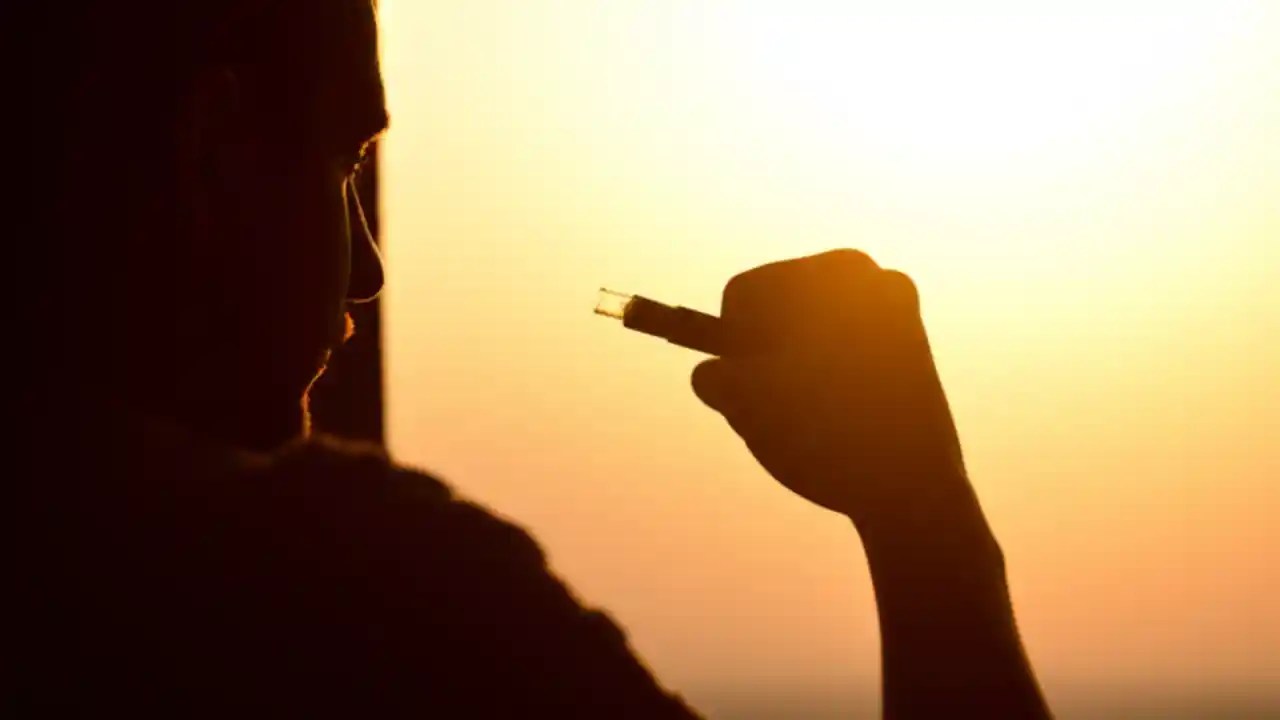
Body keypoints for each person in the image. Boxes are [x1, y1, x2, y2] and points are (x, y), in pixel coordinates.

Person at [14, 0, 1052, 717]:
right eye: (342, 166)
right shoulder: (366, 602)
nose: (367, 272)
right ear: (215, 153)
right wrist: (925, 519)